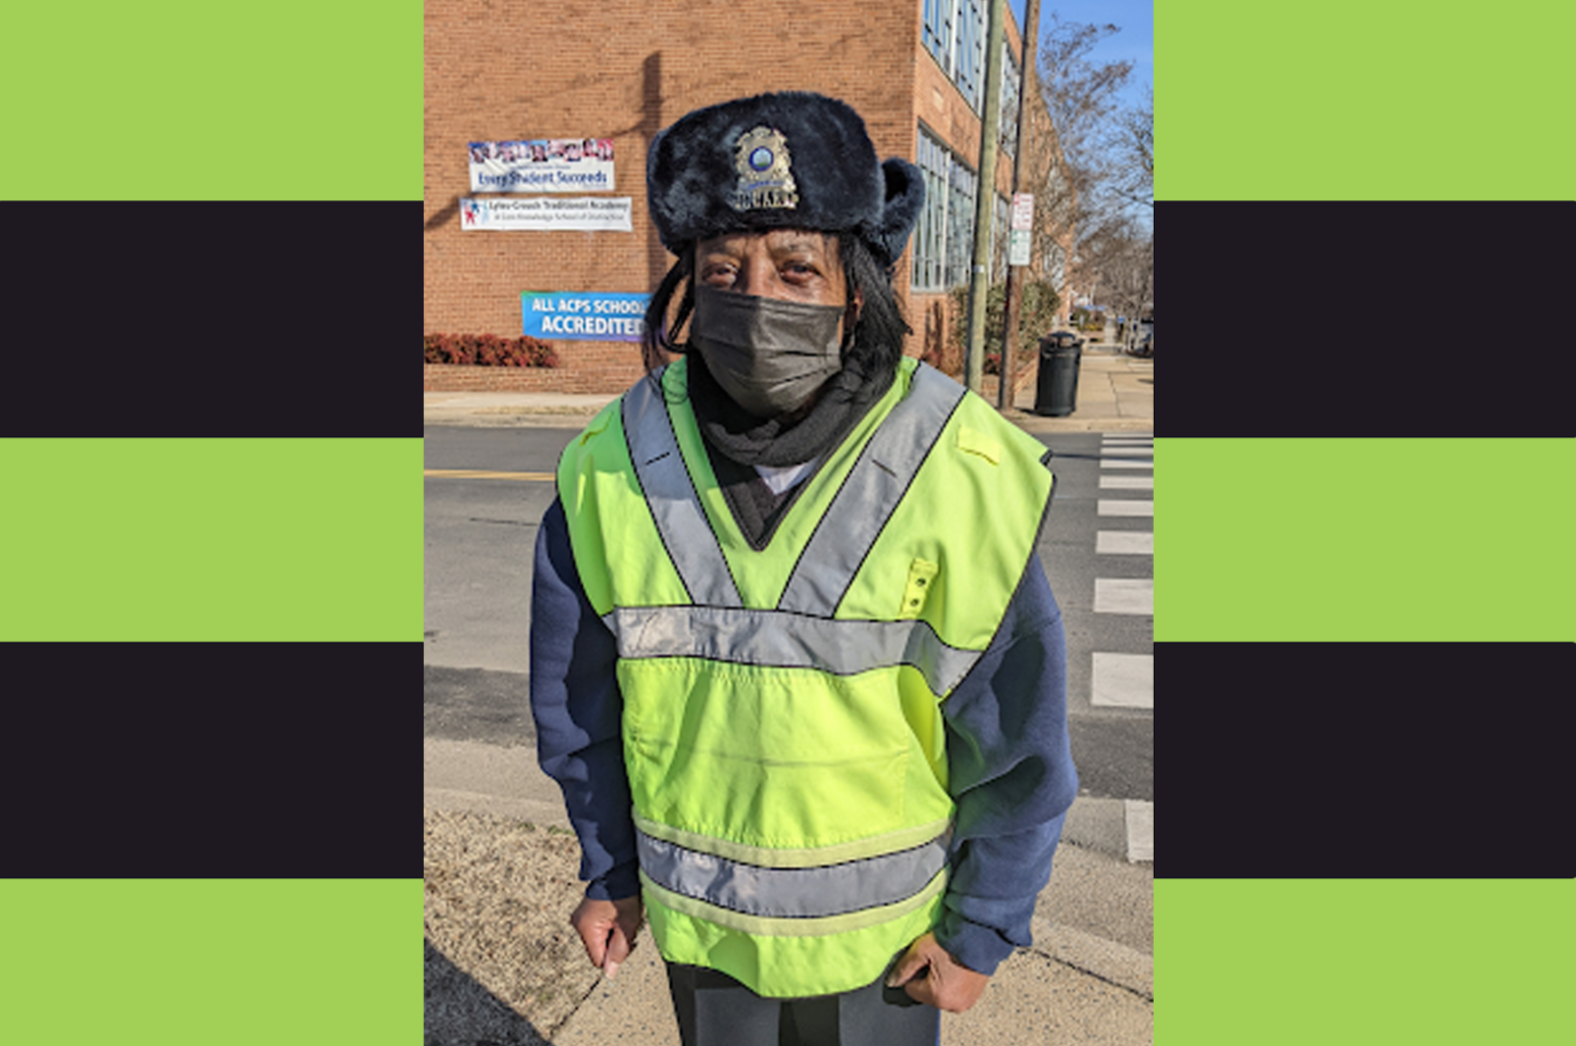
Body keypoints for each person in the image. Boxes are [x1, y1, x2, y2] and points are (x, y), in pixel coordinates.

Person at [530, 91, 1076, 1046]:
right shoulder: (610, 467)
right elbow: (580, 712)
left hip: (889, 960)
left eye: (796, 269)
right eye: (724, 271)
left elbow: (1021, 738)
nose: (758, 300)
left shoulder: (959, 470)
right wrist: (610, 871)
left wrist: (983, 928)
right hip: (706, 946)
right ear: (689, 289)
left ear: (853, 288)